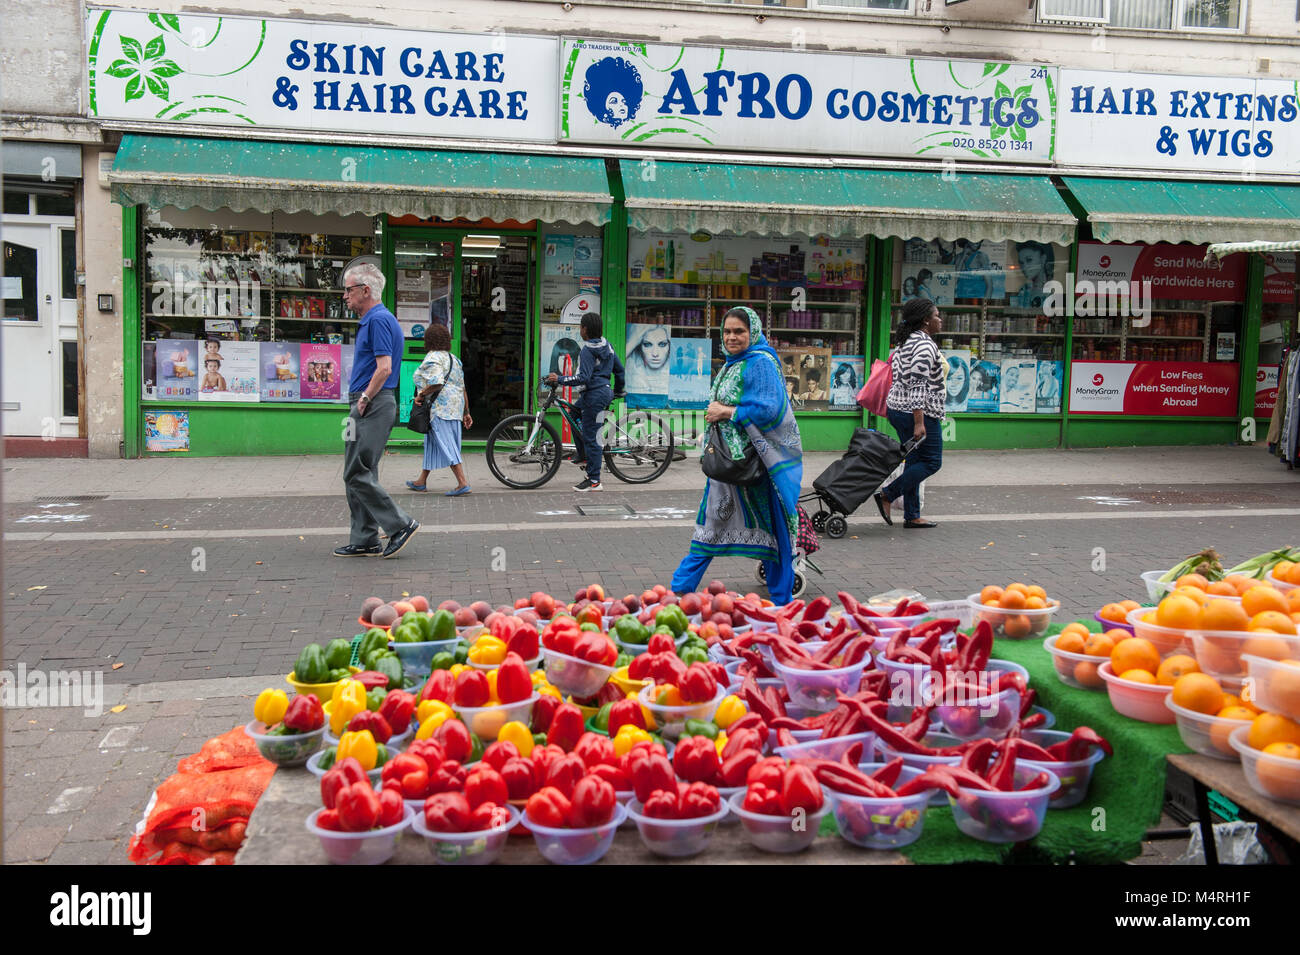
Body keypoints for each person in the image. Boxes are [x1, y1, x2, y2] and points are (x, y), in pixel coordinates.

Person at [671, 306, 803, 605]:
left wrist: (727, 412)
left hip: (754, 463)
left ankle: (781, 599)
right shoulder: (734, 363)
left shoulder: (760, 363)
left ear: (752, 332)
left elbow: (771, 409)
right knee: (711, 523)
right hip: (728, 462)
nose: (732, 337)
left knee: (772, 529)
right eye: (727, 331)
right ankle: (680, 587)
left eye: (739, 332)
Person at [334, 262, 419, 558]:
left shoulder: (378, 320)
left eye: (348, 290)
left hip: (371, 401)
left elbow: (384, 368)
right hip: (367, 401)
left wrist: (365, 399)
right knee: (360, 470)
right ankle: (365, 538)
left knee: (356, 472)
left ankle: (400, 524)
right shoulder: (377, 320)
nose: (345, 296)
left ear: (365, 290)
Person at [875, 298, 945, 529]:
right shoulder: (925, 346)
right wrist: (919, 421)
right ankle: (888, 494)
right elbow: (918, 384)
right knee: (932, 461)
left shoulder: (907, 341)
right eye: (936, 316)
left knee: (914, 460)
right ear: (926, 320)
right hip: (915, 412)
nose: (940, 320)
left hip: (898, 408)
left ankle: (912, 515)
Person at [545, 311, 625, 492]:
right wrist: (619, 390)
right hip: (601, 392)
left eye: (580, 327)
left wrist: (560, 379)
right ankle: (583, 455)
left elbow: (584, 378)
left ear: (585, 329)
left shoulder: (588, 350)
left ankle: (594, 480)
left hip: (594, 395)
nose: (580, 330)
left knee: (592, 437)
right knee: (573, 413)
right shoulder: (608, 346)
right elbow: (619, 371)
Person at [406, 323, 474, 496]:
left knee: (446, 444)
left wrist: (421, 394)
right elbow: (462, 388)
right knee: (432, 443)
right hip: (455, 408)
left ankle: (462, 483)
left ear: (428, 340)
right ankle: (421, 481)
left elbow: (436, 382)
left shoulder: (432, 358)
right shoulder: (454, 359)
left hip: (440, 409)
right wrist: (466, 412)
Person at [625, 324, 671, 395]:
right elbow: (614, 363)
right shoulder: (631, 368)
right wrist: (633, 342)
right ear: (639, 347)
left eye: (662, 344)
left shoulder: (674, 374)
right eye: (647, 344)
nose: (655, 354)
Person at [1011, 241, 1054, 309]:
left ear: (1043, 259)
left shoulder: (1050, 290)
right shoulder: (1024, 290)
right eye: (1021, 263)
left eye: (1029, 260)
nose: (1024, 267)